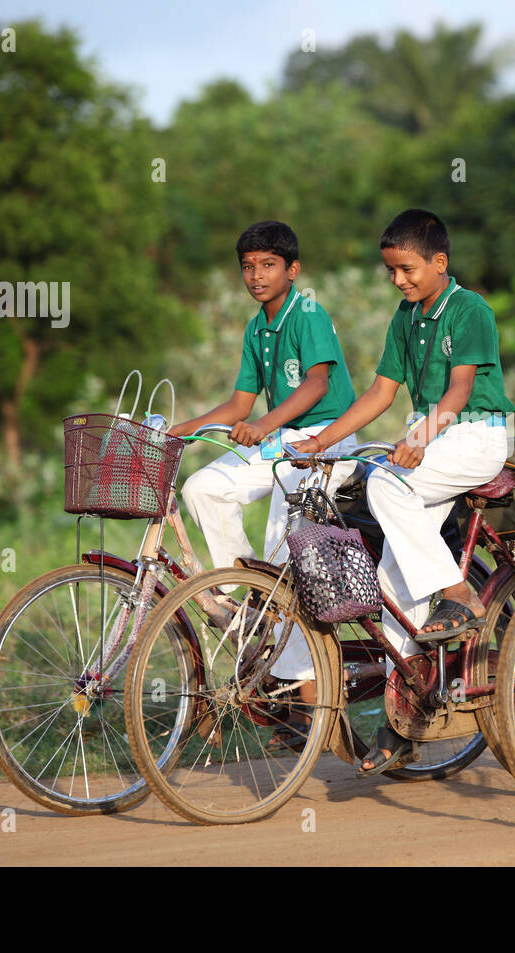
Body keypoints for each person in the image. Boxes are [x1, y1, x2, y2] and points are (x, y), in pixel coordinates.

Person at [292, 208, 515, 776]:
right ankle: (405, 725)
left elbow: (462, 389)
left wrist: (419, 435)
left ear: (440, 262)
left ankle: (458, 592)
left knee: (384, 487)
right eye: (392, 271)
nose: (399, 280)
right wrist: (324, 440)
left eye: (408, 270)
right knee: (392, 585)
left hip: (475, 434)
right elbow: (379, 393)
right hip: (434, 435)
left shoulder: (471, 309)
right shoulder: (405, 316)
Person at [170, 220, 359, 748]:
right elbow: (238, 406)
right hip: (282, 440)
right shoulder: (257, 327)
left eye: (268, 265)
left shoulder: (308, 313)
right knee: (201, 489)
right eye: (248, 266)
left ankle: (299, 681)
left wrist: (267, 426)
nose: (256, 275)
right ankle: (247, 600)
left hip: (326, 438)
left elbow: (318, 383)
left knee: (283, 533)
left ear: (292, 270)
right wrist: (179, 431)